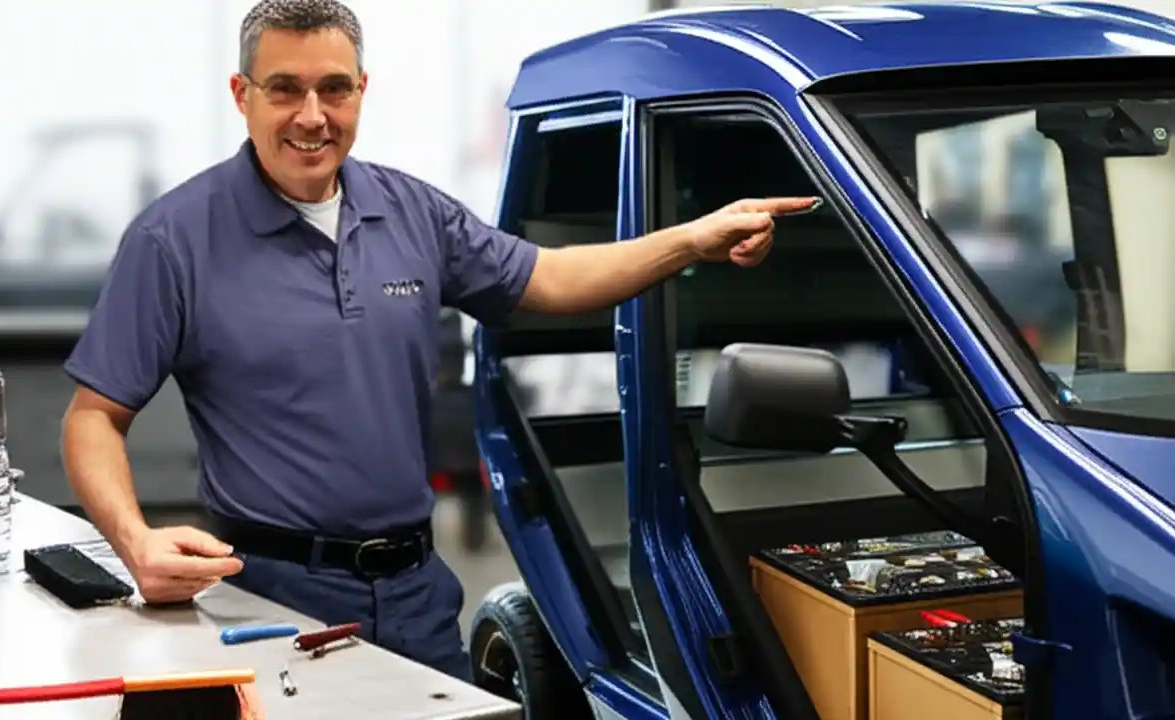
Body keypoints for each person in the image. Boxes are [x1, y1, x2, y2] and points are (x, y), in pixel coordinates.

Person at [59, 0, 816, 683]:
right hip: (267, 597)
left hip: (418, 594)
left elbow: (549, 278)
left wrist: (693, 238)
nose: (312, 116)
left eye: (335, 88)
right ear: (242, 95)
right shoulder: (175, 239)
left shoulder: (411, 211)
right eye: (284, 88)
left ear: (362, 89)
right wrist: (134, 542)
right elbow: (94, 415)